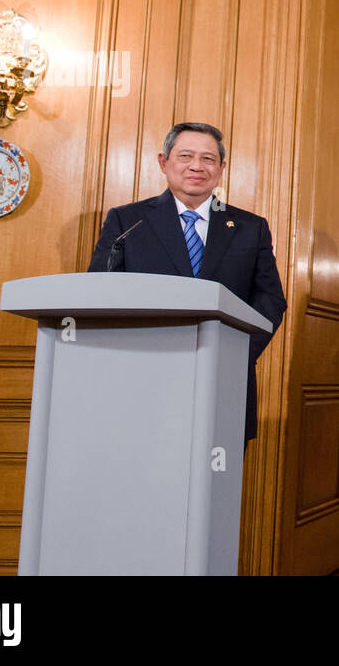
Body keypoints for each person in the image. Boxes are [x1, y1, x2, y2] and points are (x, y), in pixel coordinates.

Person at [87, 121, 287, 443]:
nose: (197, 166)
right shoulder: (127, 221)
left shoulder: (251, 227)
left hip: (224, 380)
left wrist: (235, 352)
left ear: (221, 169)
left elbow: (270, 300)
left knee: (217, 482)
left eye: (208, 159)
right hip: (141, 378)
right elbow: (99, 293)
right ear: (164, 162)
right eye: (186, 156)